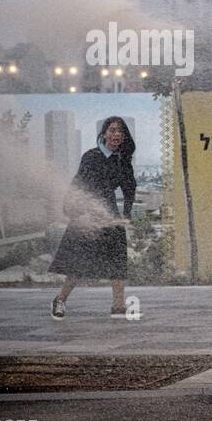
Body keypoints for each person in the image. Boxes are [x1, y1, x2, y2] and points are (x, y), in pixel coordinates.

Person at [50, 116, 137, 320]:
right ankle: (60, 299)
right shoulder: (92, 156)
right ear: (104, 133)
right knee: (78, 263)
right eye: (112, 130)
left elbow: (130, 187)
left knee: (117, 260)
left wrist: (127, 212)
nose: (116, 134)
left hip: (110, 214)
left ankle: (118, 305)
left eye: (120, 132)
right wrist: (73, 209)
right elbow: (79, 183)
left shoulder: (122, 161)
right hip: (86, 214)